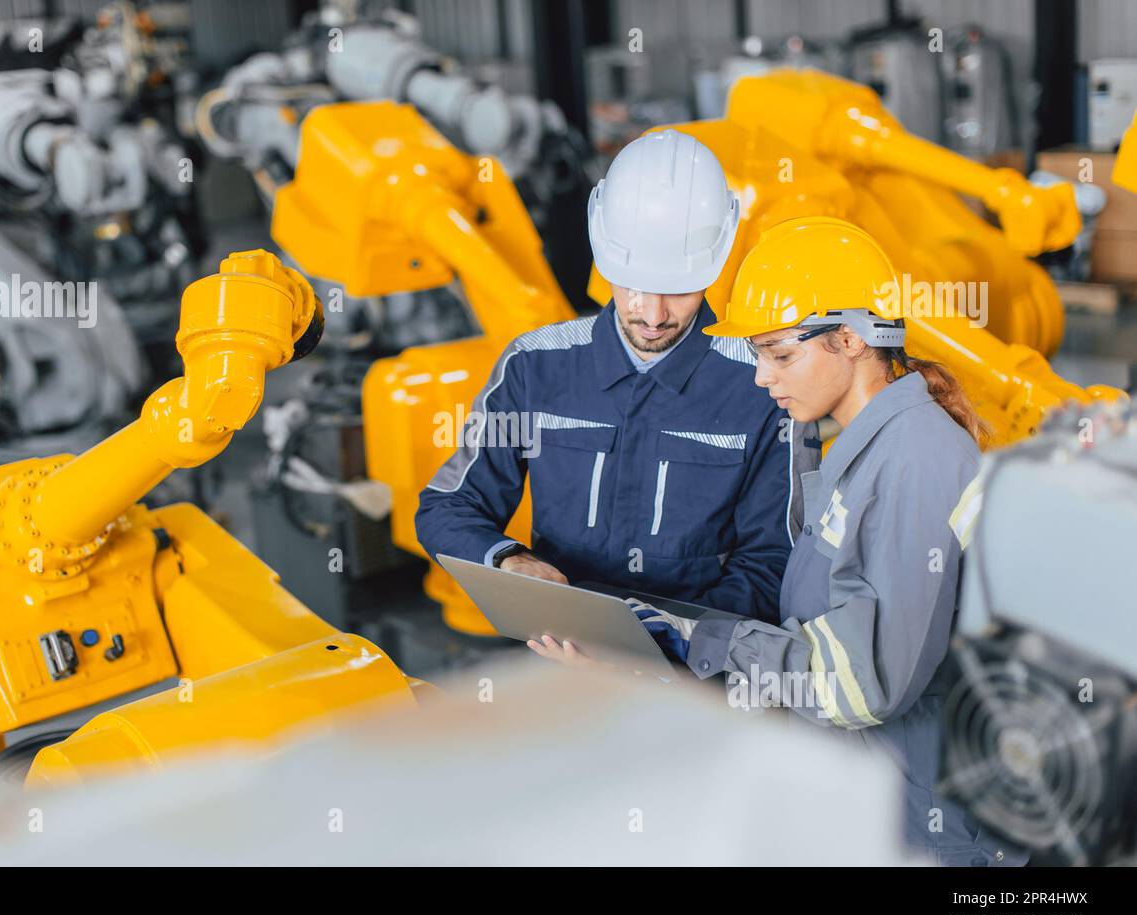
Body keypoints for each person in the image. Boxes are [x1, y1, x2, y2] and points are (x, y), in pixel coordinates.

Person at [530, 217, 1026, 867]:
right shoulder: (856, 449)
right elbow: (812, 640)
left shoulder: (918, 460)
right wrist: (653, 658)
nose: (762, 377)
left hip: (926, 833)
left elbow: (861, 682)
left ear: (849, 339)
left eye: (780, 354)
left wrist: (689, 643)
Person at [415, 130, 818, 621]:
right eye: (633, 286)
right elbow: (449, 506)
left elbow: (774, 561)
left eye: (679, 289)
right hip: (561, 645)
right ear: (603, 254)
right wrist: (507, 560)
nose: (652, 314)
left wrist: (670, 640)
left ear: (717, 261)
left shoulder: (765, 387)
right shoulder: (533, 367)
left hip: (701, 667)